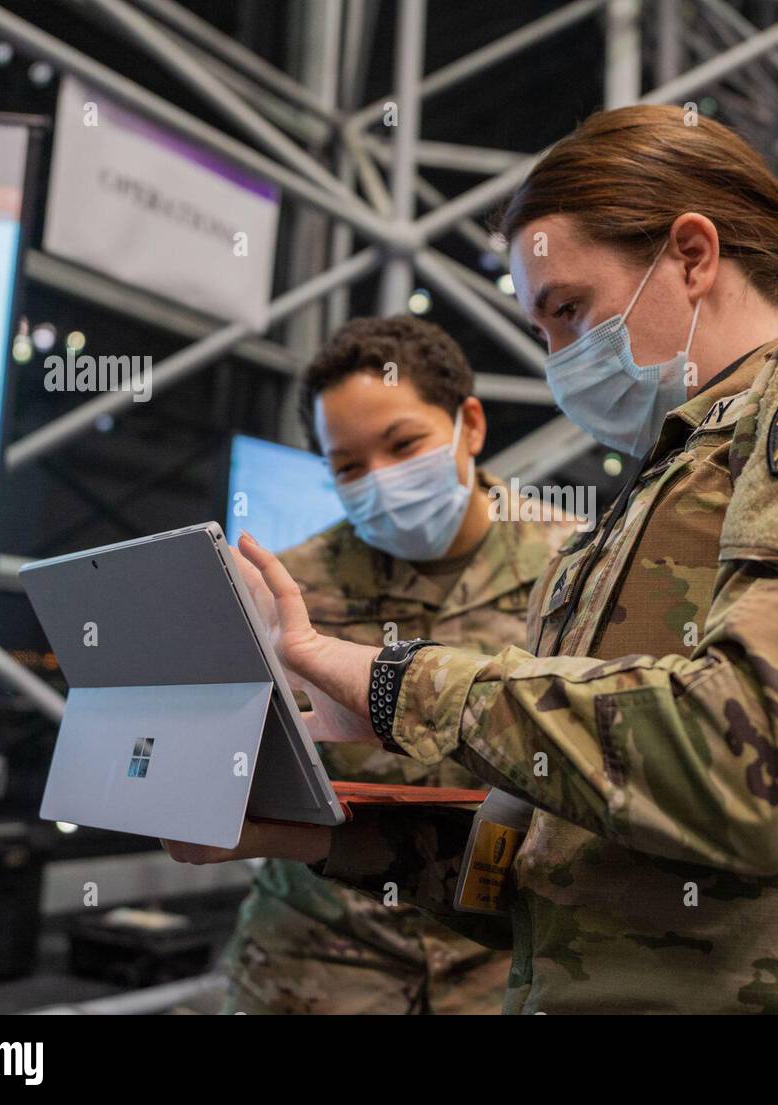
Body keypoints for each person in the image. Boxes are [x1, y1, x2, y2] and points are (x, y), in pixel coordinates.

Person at [173, 104, 778, 1015]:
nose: (560, 355)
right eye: (542, 327)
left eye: (569, 309)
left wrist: (395, 682)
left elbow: (768, 769)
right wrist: (303, 832)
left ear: (694, 255)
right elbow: (549, 873)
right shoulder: (647, 500)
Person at [219, 316, 576, 1014]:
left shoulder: (573, 567)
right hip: (318, 958)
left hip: (504, 956)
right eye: (348, 466)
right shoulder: (290, 589)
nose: (380, 481)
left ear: (468, 424)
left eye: (404, 444)